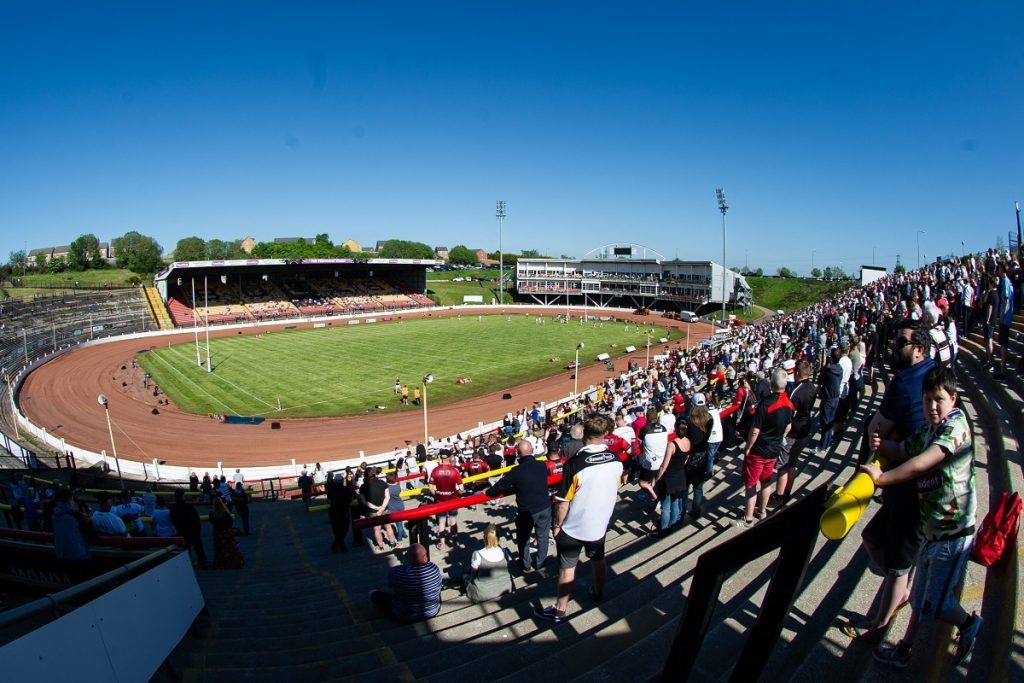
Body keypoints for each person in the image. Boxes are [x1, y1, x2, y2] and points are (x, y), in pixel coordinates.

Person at [861, 366, 981, 669]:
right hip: (933, 531)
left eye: (939, 399)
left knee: (937, 604)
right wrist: (880, 445)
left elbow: (921, 463)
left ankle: (969, 625)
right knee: (919, 599)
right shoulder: (929, 429)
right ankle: (904, 650)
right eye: (927, 400)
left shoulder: (955, 428)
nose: (932, 406)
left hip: (953, 533)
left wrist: (881, 478)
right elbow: (903, 449)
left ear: (953, 399)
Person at [847, 318, 934, 643]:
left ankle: (878, 628)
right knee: (872, 537)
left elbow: (876, 430)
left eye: (901, 343)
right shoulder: (932, 370)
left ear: (919, 349)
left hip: (912, 488)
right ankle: (901, 589)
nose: (894, 347)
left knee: (898, 565)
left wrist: (880, 452)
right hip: (908, 477)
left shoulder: (904, 382)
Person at [535, 413, 623, 623]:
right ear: (605, 433)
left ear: (584, 434)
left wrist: (557, 525)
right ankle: (598, 593)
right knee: (598, 560)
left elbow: (563, 502)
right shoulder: (615, 459)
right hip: (599, 525)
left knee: (567, 569)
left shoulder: (575, 463)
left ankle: (560, 610)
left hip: (573, 527)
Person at [486, 439, 553, 571]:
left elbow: (500, 486)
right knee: (543, 537)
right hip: (545, 507)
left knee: (523, 539)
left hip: (527, 511)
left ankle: (526, 564)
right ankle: (540, 562)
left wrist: (488, 492)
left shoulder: (516, 470)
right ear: (532, 451)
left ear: (518, 454)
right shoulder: (541, 465)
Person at [739, 368, 794, 527]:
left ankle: (748, 518)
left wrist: (748, 447)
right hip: (774, 449)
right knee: (766, 481)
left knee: (751, 484)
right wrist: (779, 438)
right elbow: (789, 426)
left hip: (759, 450)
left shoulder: (766, 403)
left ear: (772, 383)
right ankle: (762, 511)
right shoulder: (788, 403)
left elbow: (755, 430)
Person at [771, 360, 818, 506]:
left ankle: (779, 495)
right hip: (805, 428)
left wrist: (782, 434)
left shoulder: (797, 392)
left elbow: (789, 413)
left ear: (797, 373)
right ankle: (788, 491)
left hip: (793, 431)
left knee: (783, 465)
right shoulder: (812, 387)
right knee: (792, 462)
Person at [369, 543, 443, 622]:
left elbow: (391, 588)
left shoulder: (395, 572)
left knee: (372, 593)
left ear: (408, 558)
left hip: (404, 616)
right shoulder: (434, 568)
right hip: (432, 612)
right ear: (425, 557)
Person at [652, 417, 690, 536]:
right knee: (675, 503)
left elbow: (664, 465)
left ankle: (663, 531)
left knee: (666, 507)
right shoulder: (688, 442)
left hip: (669, 478)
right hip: (681, 476)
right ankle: (673, 527)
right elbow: (686, 459)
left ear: (676, 428)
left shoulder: (671, 445)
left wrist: (656, 479)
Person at [459, 524, 514, 603]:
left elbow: (473, 574)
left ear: (484, 539)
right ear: (498, 539)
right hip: (505, 588)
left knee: (465, 575)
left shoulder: (477, 554)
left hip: (483, 593)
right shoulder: (504, 551)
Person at [428, 453, 463, 551]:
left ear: (441, 458)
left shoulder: (435, 470)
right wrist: (458, 494)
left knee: (441, 522)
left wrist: (436, 495)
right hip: (452, 499)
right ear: (449, 459)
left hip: (440, 500)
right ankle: (455, 541)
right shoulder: (454, 470)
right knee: (453, 521)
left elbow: (430, 487)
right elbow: (461, 488)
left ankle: (442, 543)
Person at [52, 487, 92, 564]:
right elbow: (91, 533)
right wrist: (87, 519)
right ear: (69, 500)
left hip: (60, 555)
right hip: (78, 556)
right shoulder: (75, 515)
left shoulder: (54, 513)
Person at [170, 489, 207, 570]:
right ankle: (203, 565)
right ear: (183, 496)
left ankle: (188, 566)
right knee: (198, 549)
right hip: (193, 532)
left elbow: (174, 521)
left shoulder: (174, 508)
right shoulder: (189, 507)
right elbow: (196, 519)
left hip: (183, 532)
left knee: (187, 550)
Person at [361, 468, 397, 549]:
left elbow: (364, 501)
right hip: (384, 508)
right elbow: (387, 497)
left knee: (377, 529)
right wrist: (382, 508)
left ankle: (381, 546)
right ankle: (393, 543)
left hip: (373, 511)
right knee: (388, 526)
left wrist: (376, 508)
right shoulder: (382, 482)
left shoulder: (363, 487)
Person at [210, 497, 244, 569]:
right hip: (226, 533)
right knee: (230, 548)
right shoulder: (226, 513)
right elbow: (230, 523)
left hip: (218, 534)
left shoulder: (212, 514)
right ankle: (231, 562)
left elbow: (212, 521)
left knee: (220, 549)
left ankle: (221, 563)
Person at [326, 472, 354, 552]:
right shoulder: (346, 488)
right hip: (344, 510)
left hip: (334, 511)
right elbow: (351, 496)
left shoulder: (331, 488)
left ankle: (338, 544)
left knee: (337, 529)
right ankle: (338, 544)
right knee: (345, 527)